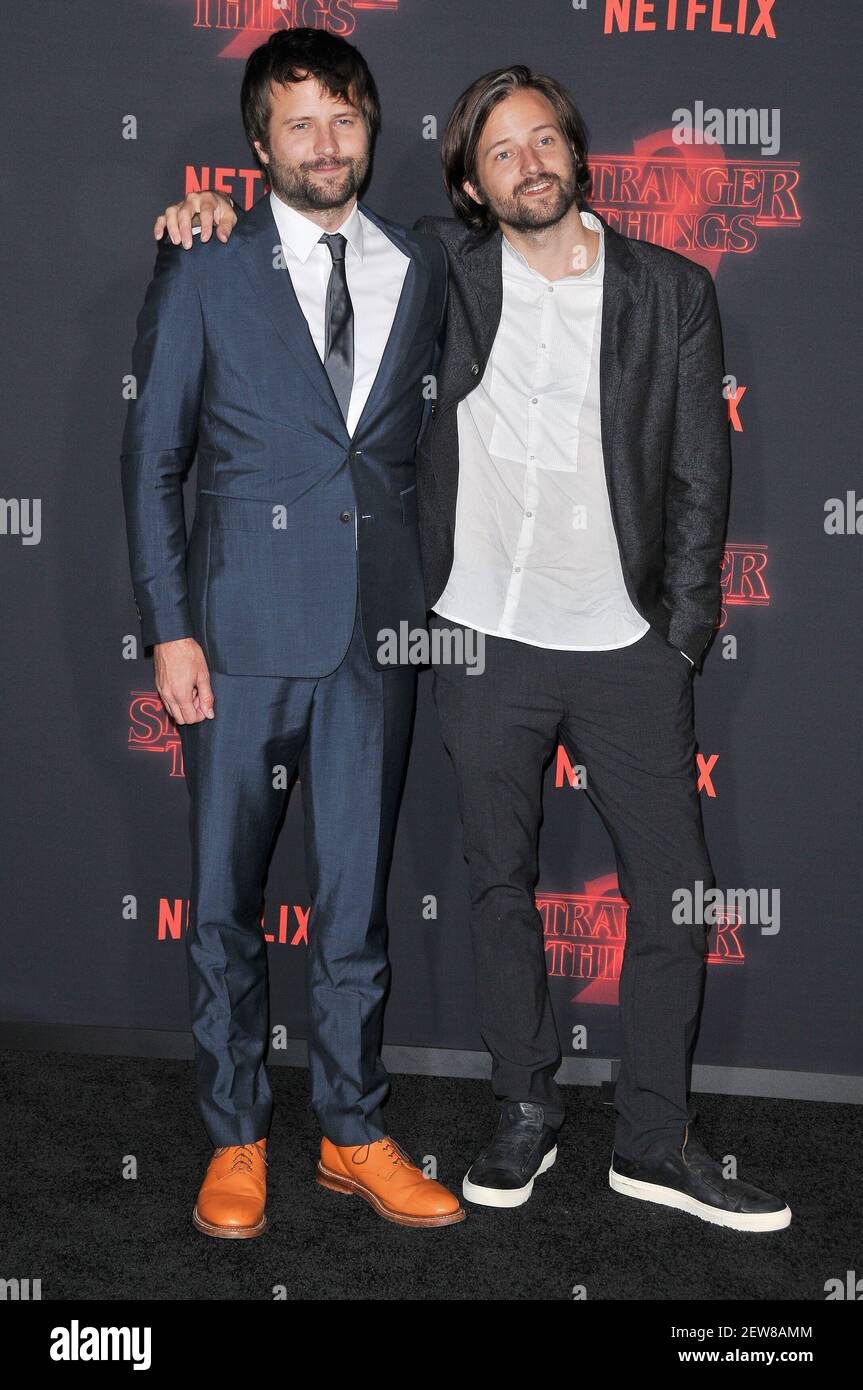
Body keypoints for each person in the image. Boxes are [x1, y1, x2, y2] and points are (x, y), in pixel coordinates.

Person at [154, 64, 790, 1232]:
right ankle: (451, 1116)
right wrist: (199, 220)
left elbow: (703, 474)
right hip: (441, 639)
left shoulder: (637, 288)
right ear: (469, 179)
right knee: (436, 891)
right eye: (501, 151)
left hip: (600, 645)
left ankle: (628, 1139)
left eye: (543, 140)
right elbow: (186, 416)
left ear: (575, 152)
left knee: (649, 897)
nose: (528, 163)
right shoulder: (397, 268)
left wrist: (681, 635)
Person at [121, 27, 463, 1236]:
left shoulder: (422, 270)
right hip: (238, 638)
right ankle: (233, 1137)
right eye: (298, 121)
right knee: (224, 903)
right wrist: (169, 629)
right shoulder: (205, 266)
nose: (325, 143)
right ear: (258, 143)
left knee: (355, 905)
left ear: (372, 130)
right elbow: (153, 457)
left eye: (344, 118)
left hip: (377, 643)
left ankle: (353, 1132)